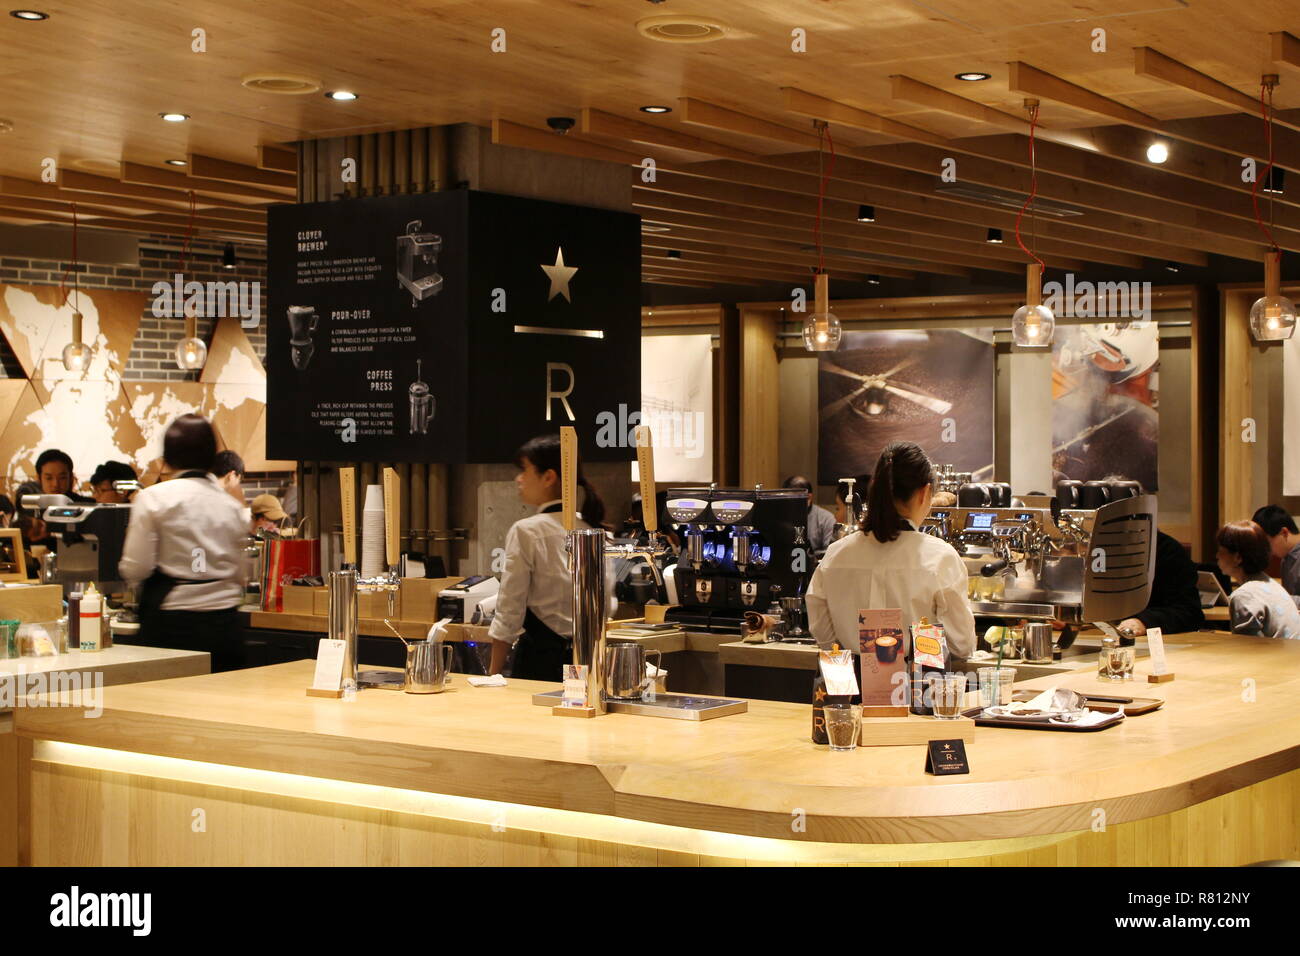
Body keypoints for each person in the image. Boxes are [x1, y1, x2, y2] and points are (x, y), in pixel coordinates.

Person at [806, 442, 976, 660]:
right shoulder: (939, 557)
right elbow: (961, 645)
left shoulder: (836, 553)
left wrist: (858, 658)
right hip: (918, 686)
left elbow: (822, 630)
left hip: (851, 686)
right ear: (925, 493)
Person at [118, 415, 248, 671]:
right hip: (225, 624)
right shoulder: (233, 507)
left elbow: (136, 567)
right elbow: (240, 574)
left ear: (167, 458)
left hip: (173, 624)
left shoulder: (152, 499)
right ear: (212, 456)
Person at [487, 434, 614, 681]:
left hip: (540, 662)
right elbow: (607, 605)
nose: (519, 479)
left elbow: (509, 610)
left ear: (548, 477)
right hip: (591, 661)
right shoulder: (596, 530)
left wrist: (492, 674)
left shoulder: (528, 530)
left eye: (525, 470)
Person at [1102, 476, 1204, 638]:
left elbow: (1189, 613)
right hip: (1101, 638)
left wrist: (1144, 622)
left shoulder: (1168, 551)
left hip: (1155, 645)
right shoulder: (1096, 548)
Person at [1215, 521, 1300, 640]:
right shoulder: (1271, 584)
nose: (1216, 556)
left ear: (1238, 557)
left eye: (1220, 551)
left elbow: (1247, 649)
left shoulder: (1244, 595)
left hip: (1277, 658)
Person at [1251, 504, 1300, 604]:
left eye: (1267, 543)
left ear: (1284, 532)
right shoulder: (1286, 558)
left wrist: (1275, 598)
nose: (1266, 550)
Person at [784, 475, 836, 554]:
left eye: (793, 498)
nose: (789, 503)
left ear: (809, 497)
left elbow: (830, 551)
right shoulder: (781, 516)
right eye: (786, 499)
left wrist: (810, 556)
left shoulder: (826, 519)